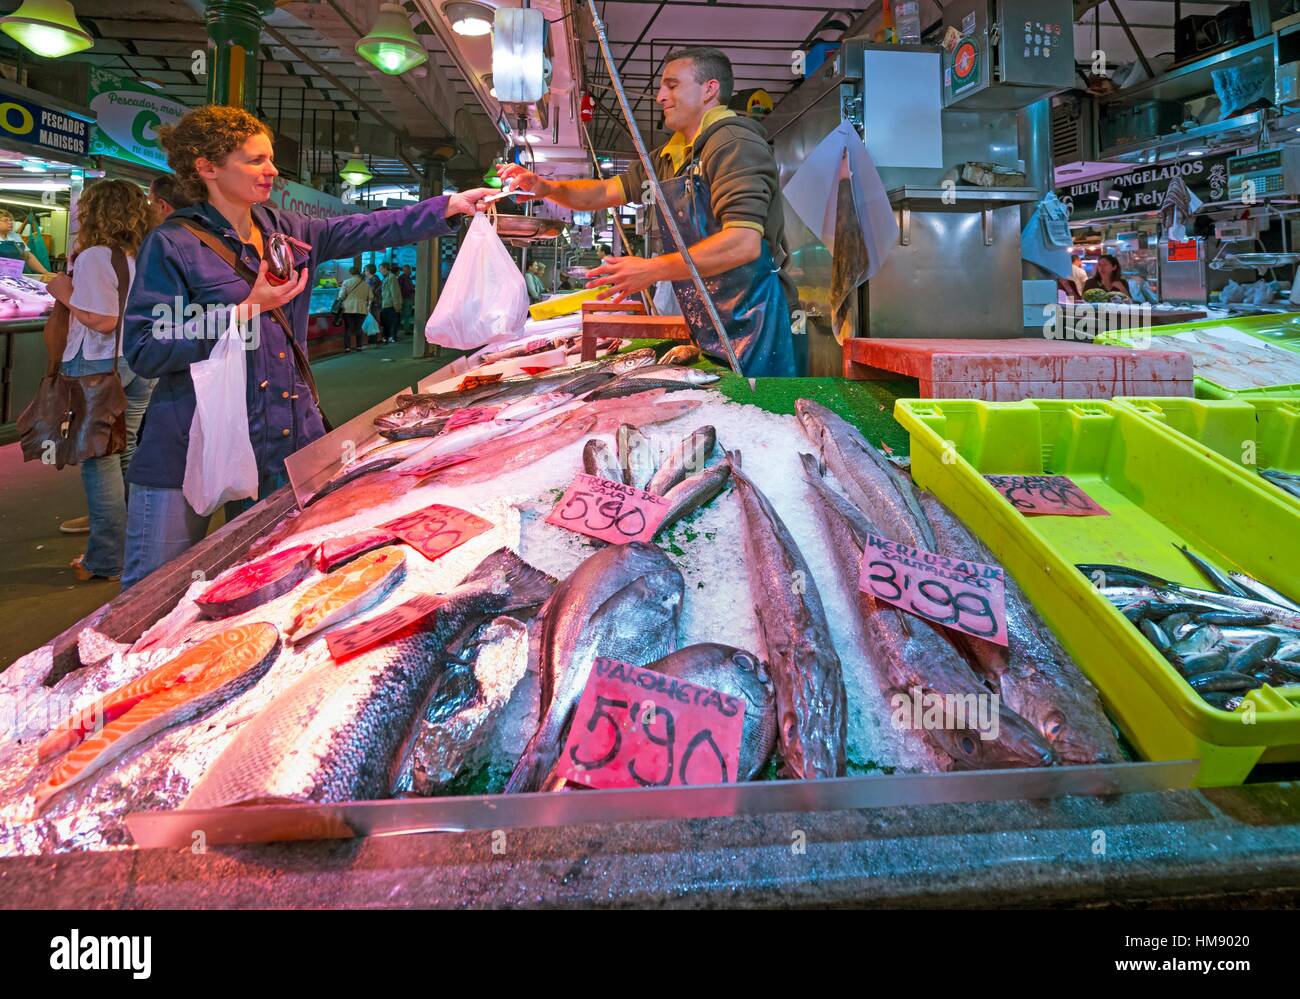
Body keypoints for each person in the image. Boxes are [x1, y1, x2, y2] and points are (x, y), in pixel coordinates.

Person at [120, 104, 493, 589]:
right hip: (190, 438)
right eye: (254, 160)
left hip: (284, 436)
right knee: (153, 590)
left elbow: (365, 228)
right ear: (207, 168)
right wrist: (241, 310)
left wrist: (446, 206)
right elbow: (147, 347)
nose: (272, 170)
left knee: (273, 580)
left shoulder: (287, 229)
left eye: (270, 158)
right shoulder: (172, 244)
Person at [499, 46, 796, 377]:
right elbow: (604, 191)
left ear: (709, 90)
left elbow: (743, 243)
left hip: (754, 321)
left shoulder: (733, 143)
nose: (659, 97)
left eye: (672, 85)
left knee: (758, 416)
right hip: (710, 319)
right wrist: (548, 187)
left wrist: (652, 269)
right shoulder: (668, 157)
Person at [44, 181, 156, 580]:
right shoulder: (141, 254)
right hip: (140, 363)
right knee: (125, 454)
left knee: (98, 459)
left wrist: (63, 291)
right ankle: (136, 547)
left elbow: (102, 319)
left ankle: (107, 558)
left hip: (98, 364)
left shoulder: (94, 255)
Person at [0, 208, 51, 276]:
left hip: (20, 275)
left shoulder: (15, 236)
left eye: (11, 220)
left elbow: (28, 256)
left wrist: (46, 272)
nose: (10, 222)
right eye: (5, 220)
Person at [335, 264, 372, 352]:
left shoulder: (346, 282)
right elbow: (371, 296)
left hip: (348, 308)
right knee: (358, 327)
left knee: (348, 328)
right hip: (361, 309)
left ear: (350, 273)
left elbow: (341, 296)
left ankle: (347, 347)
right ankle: (359, 346)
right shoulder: (365, 284)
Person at [379, 261, 402, 343]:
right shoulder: (386, 277)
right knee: (387, 322)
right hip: (386, 303)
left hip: (390, 304)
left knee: (392, 322)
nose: (380, 270)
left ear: (385, 268)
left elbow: (394, 292)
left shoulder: (391, 278)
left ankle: (391, 337)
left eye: (381, 269)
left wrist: (397, 305)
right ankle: (387, 336)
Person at [363, 262, 381, 342]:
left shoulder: (373, 279)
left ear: (369, 271)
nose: (364, 272)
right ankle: (371, 337)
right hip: (371, 303)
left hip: (374, 303)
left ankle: (373, 338)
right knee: (372, 320)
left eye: (365, 270)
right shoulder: (369, 279)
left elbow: (370, 292)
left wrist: (369, 305)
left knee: (373, 320)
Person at [398, 264, 415, 334]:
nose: (410, 271)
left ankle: (406, 329)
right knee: (406, 315)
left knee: (407, 315)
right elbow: (403, 289)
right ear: (405, 270)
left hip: (407, 298)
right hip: (406, 298)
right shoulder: (403, 278)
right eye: (408, 269)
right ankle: (406, 329)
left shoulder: (406, 277)